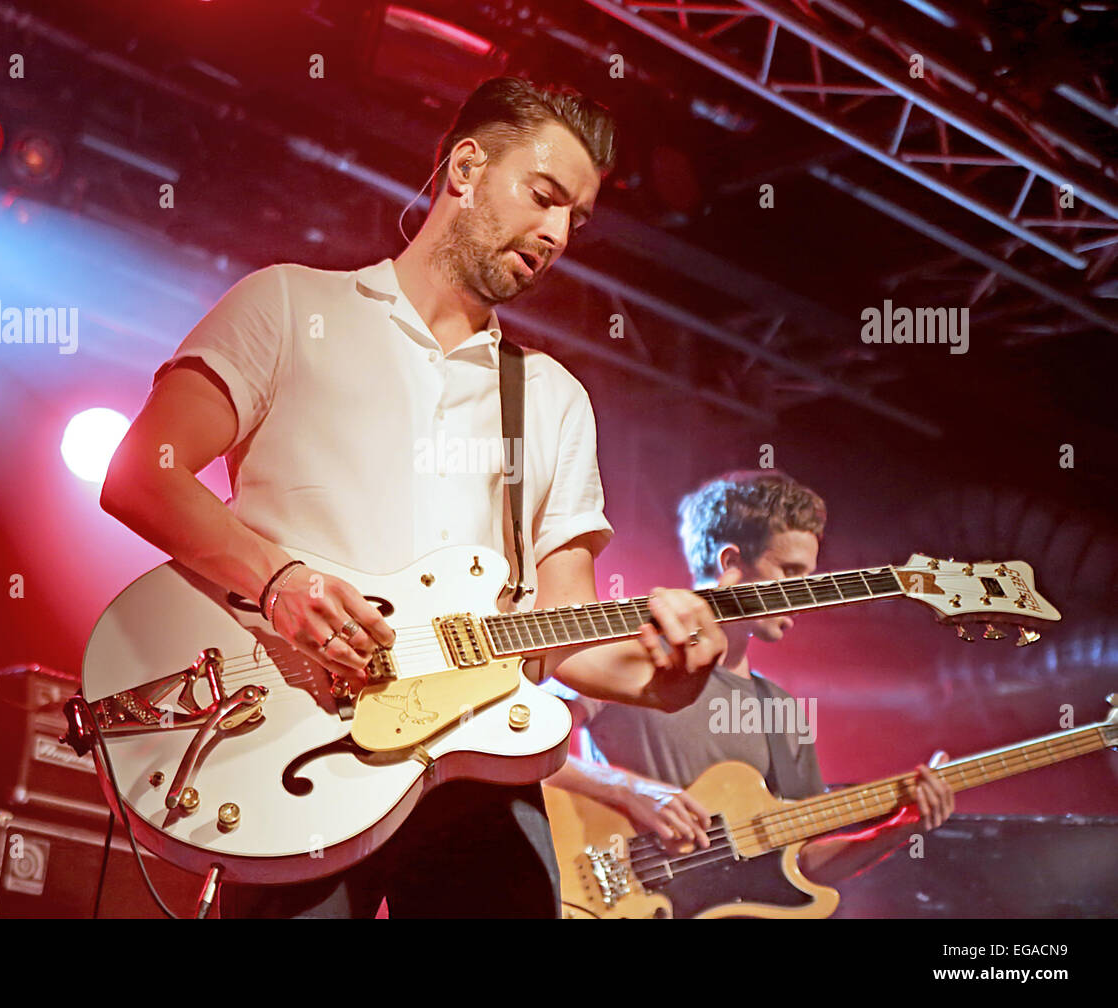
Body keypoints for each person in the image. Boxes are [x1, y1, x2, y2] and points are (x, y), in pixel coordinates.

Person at [100, 77, 733, 918]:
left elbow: (561, 635)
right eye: (543, 197)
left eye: (574, 220)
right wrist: (282, 583)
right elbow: (142, 472)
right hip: (296, 749)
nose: (555, 234)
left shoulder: (551, 397)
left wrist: (677, 675)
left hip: (474, 772)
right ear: (466, 167)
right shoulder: (289, 305)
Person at [545, 470, 955, 914]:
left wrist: (898, 826)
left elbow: (804, 863)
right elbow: (521, 754)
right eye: (790, 572)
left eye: (809, 577)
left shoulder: (778, 708)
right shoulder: (637, 657)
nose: (805, 594)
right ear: (730, 563)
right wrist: (626, 790)